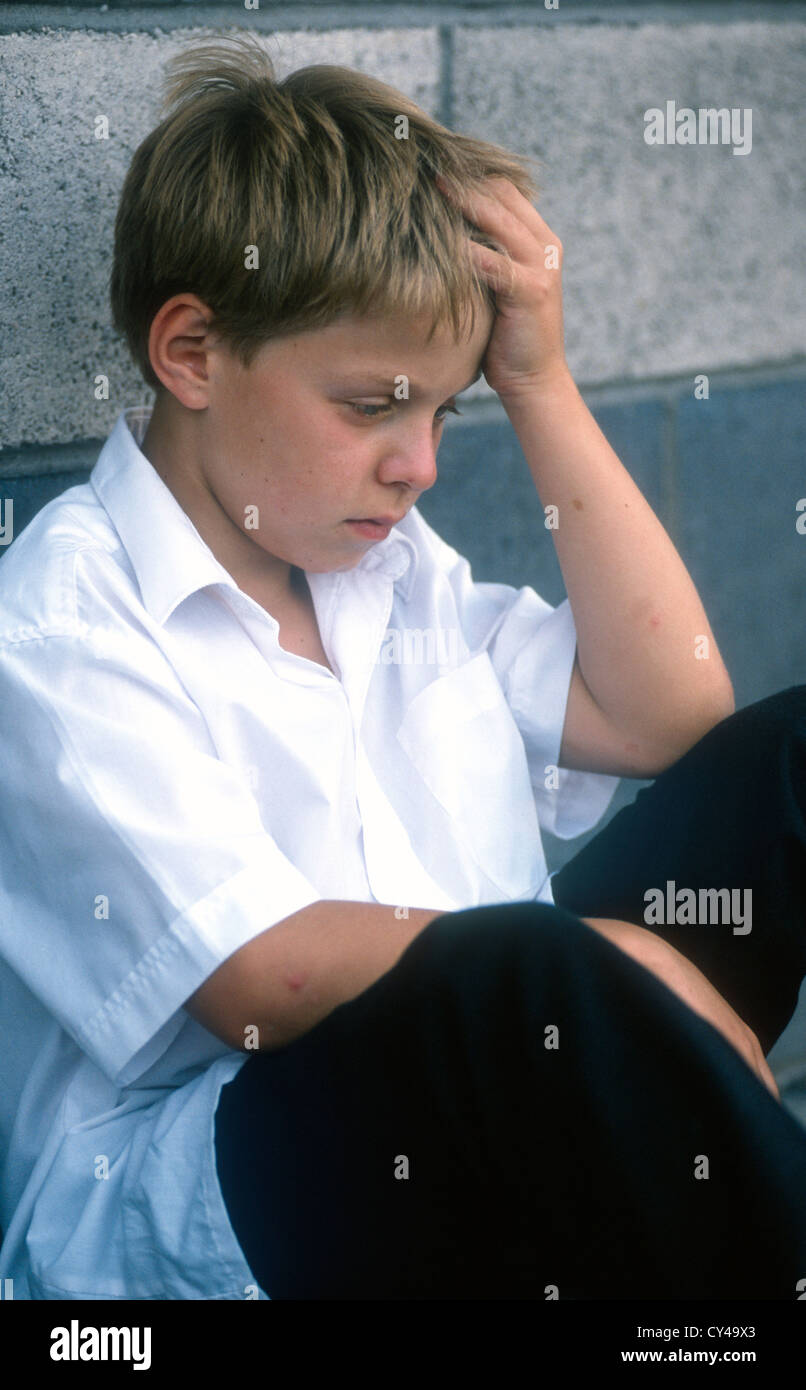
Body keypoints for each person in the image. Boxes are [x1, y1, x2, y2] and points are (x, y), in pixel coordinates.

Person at [0, 32, 805, 1302]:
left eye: (443, 411)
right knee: (532, 969)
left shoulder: (384, 565)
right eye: (373, 406)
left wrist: (536, 379)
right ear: (193, 352)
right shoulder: (56, 623)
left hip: (503, 1069)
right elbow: (262, 976)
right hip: (206, 1197)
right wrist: (603, 968)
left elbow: (673, 715)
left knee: (790, 764)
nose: (419, 465)